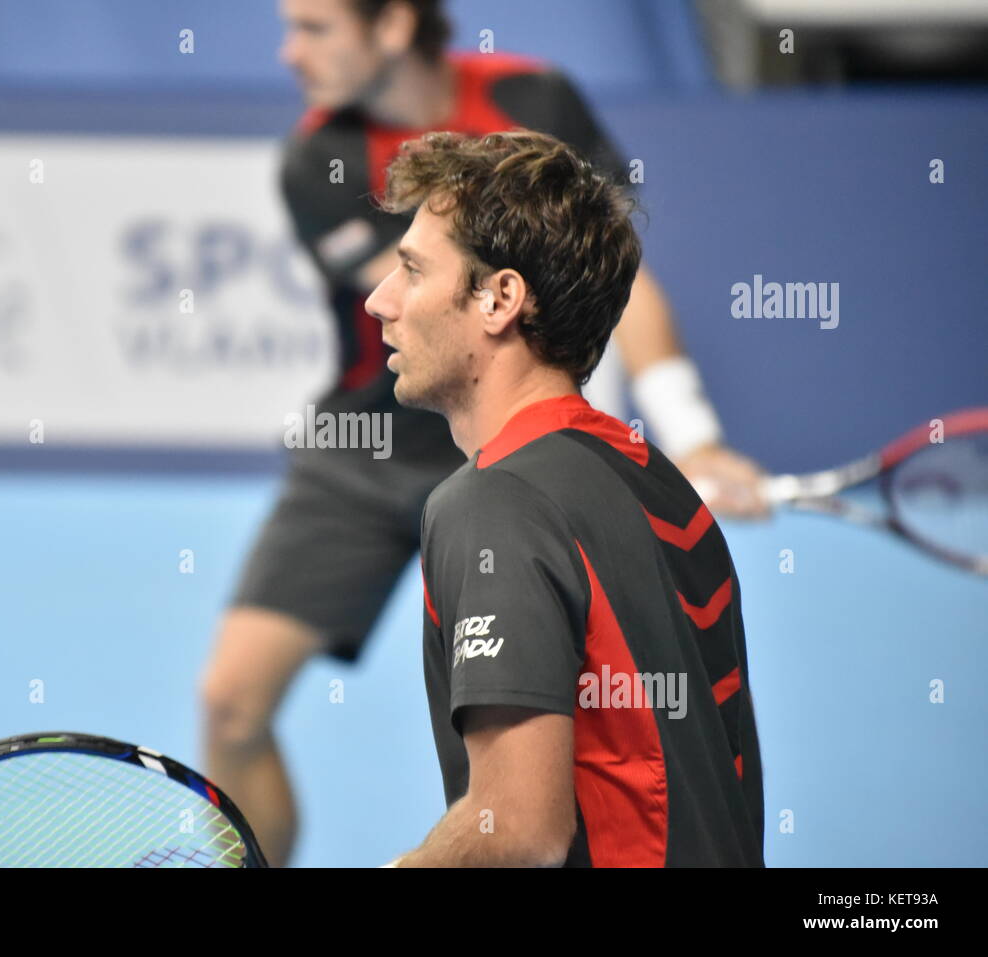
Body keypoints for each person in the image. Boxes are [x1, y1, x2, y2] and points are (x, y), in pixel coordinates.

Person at [200, 0, 765, 866]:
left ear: (392, 25)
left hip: (511, 443)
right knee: (231, 703)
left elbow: (609, 267)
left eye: (314, 27)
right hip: (373, 444)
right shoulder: (316, 160)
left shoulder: (534, 97)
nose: (290, 53)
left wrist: (694, 426)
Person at [367, 128, 763, 866]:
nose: (379, 300)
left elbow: (517, 827)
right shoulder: (664, 486)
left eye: (413, 271)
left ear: (500, 299)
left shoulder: (492, 503)